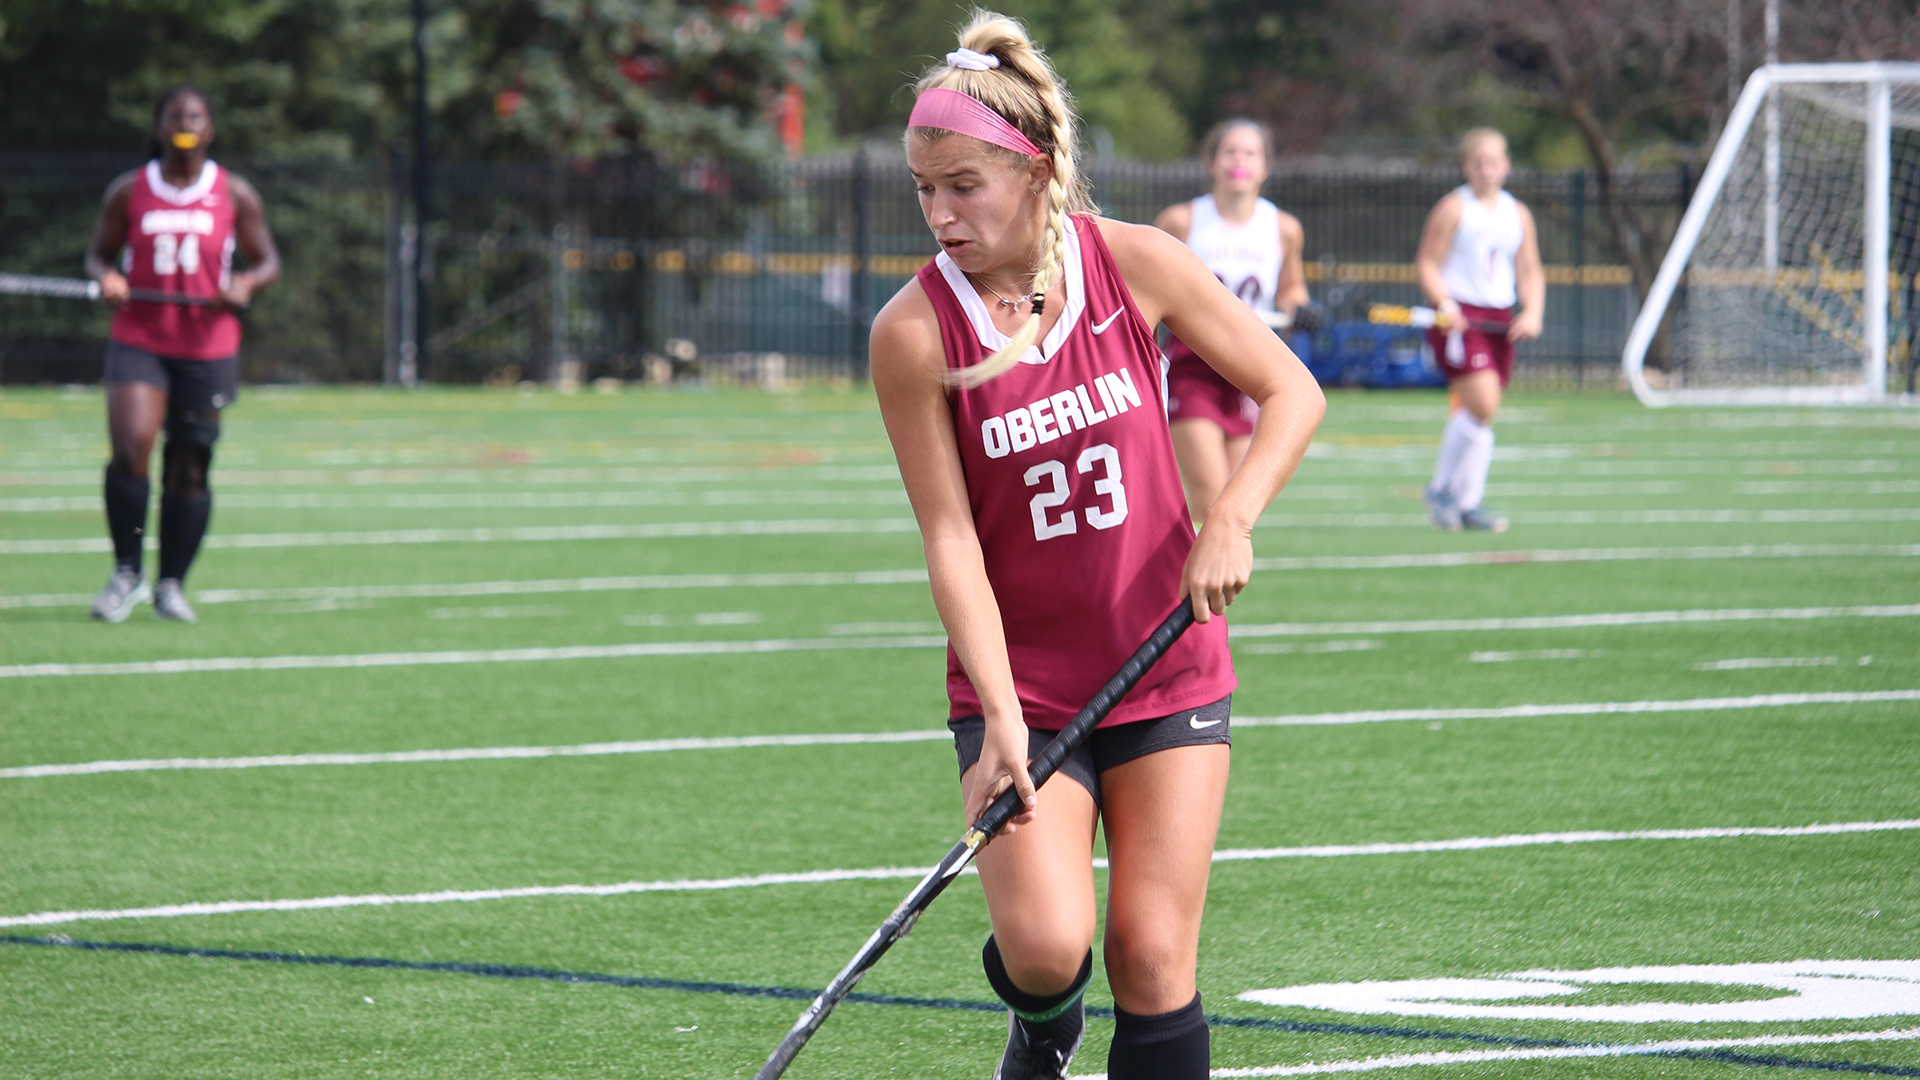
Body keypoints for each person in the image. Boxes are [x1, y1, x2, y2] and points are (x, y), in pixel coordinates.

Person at [869, 13, 1324, 1079]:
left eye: (963, 187)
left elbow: (1287, 388)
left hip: (1165, 667)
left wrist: (1231, 516)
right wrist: (997, 724)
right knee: (1044, 948)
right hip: (1021, 689)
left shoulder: (1136, 263)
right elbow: (950, 539)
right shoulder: (912, 332)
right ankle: (1041, 1022)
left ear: (1033, 172)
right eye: (924, 190)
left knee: (1154, 957)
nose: (940, 215)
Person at [84, 84, 280, 622]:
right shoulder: (129, 191)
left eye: (195, 115)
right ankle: (127, 571)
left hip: (207, 345)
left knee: (190, 466)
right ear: (159, 126)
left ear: (211, 128)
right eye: (174, 114)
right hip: (141, 338)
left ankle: (171, 584)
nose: (184, 122)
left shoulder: (235, 193)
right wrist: (108, 278)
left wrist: (245, 285)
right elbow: (99, 256)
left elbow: (267, 262)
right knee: (131, 450)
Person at [1153, 119, 1311, 523]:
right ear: (1213, 162)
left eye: (1250, 153)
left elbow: (1291, 288)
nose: (1239, 160)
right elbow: (1145, 285)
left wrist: (1301, 306)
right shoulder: (1182, 221)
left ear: (1265, 166)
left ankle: (1195, 584)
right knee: (1211, 497)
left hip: (1250, 370)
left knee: (1237, 506)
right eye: (1230, 152)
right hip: (1194, 365)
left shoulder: (1284, 228)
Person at [1413, 127, 1542, 532]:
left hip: (1499, 319)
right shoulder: (1454, 208)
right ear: (1467, 166)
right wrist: (1447, 305)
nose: (1487, 169)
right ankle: (1439, 490)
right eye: (1478, 162)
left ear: (1506, 165)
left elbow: (1529, 269)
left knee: (1481, 415)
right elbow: (1428, 264)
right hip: (1460, 319)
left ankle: (1466, 502)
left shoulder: (1517, 213)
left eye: (1494, 161)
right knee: (1483, 405)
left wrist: (1534, 310)